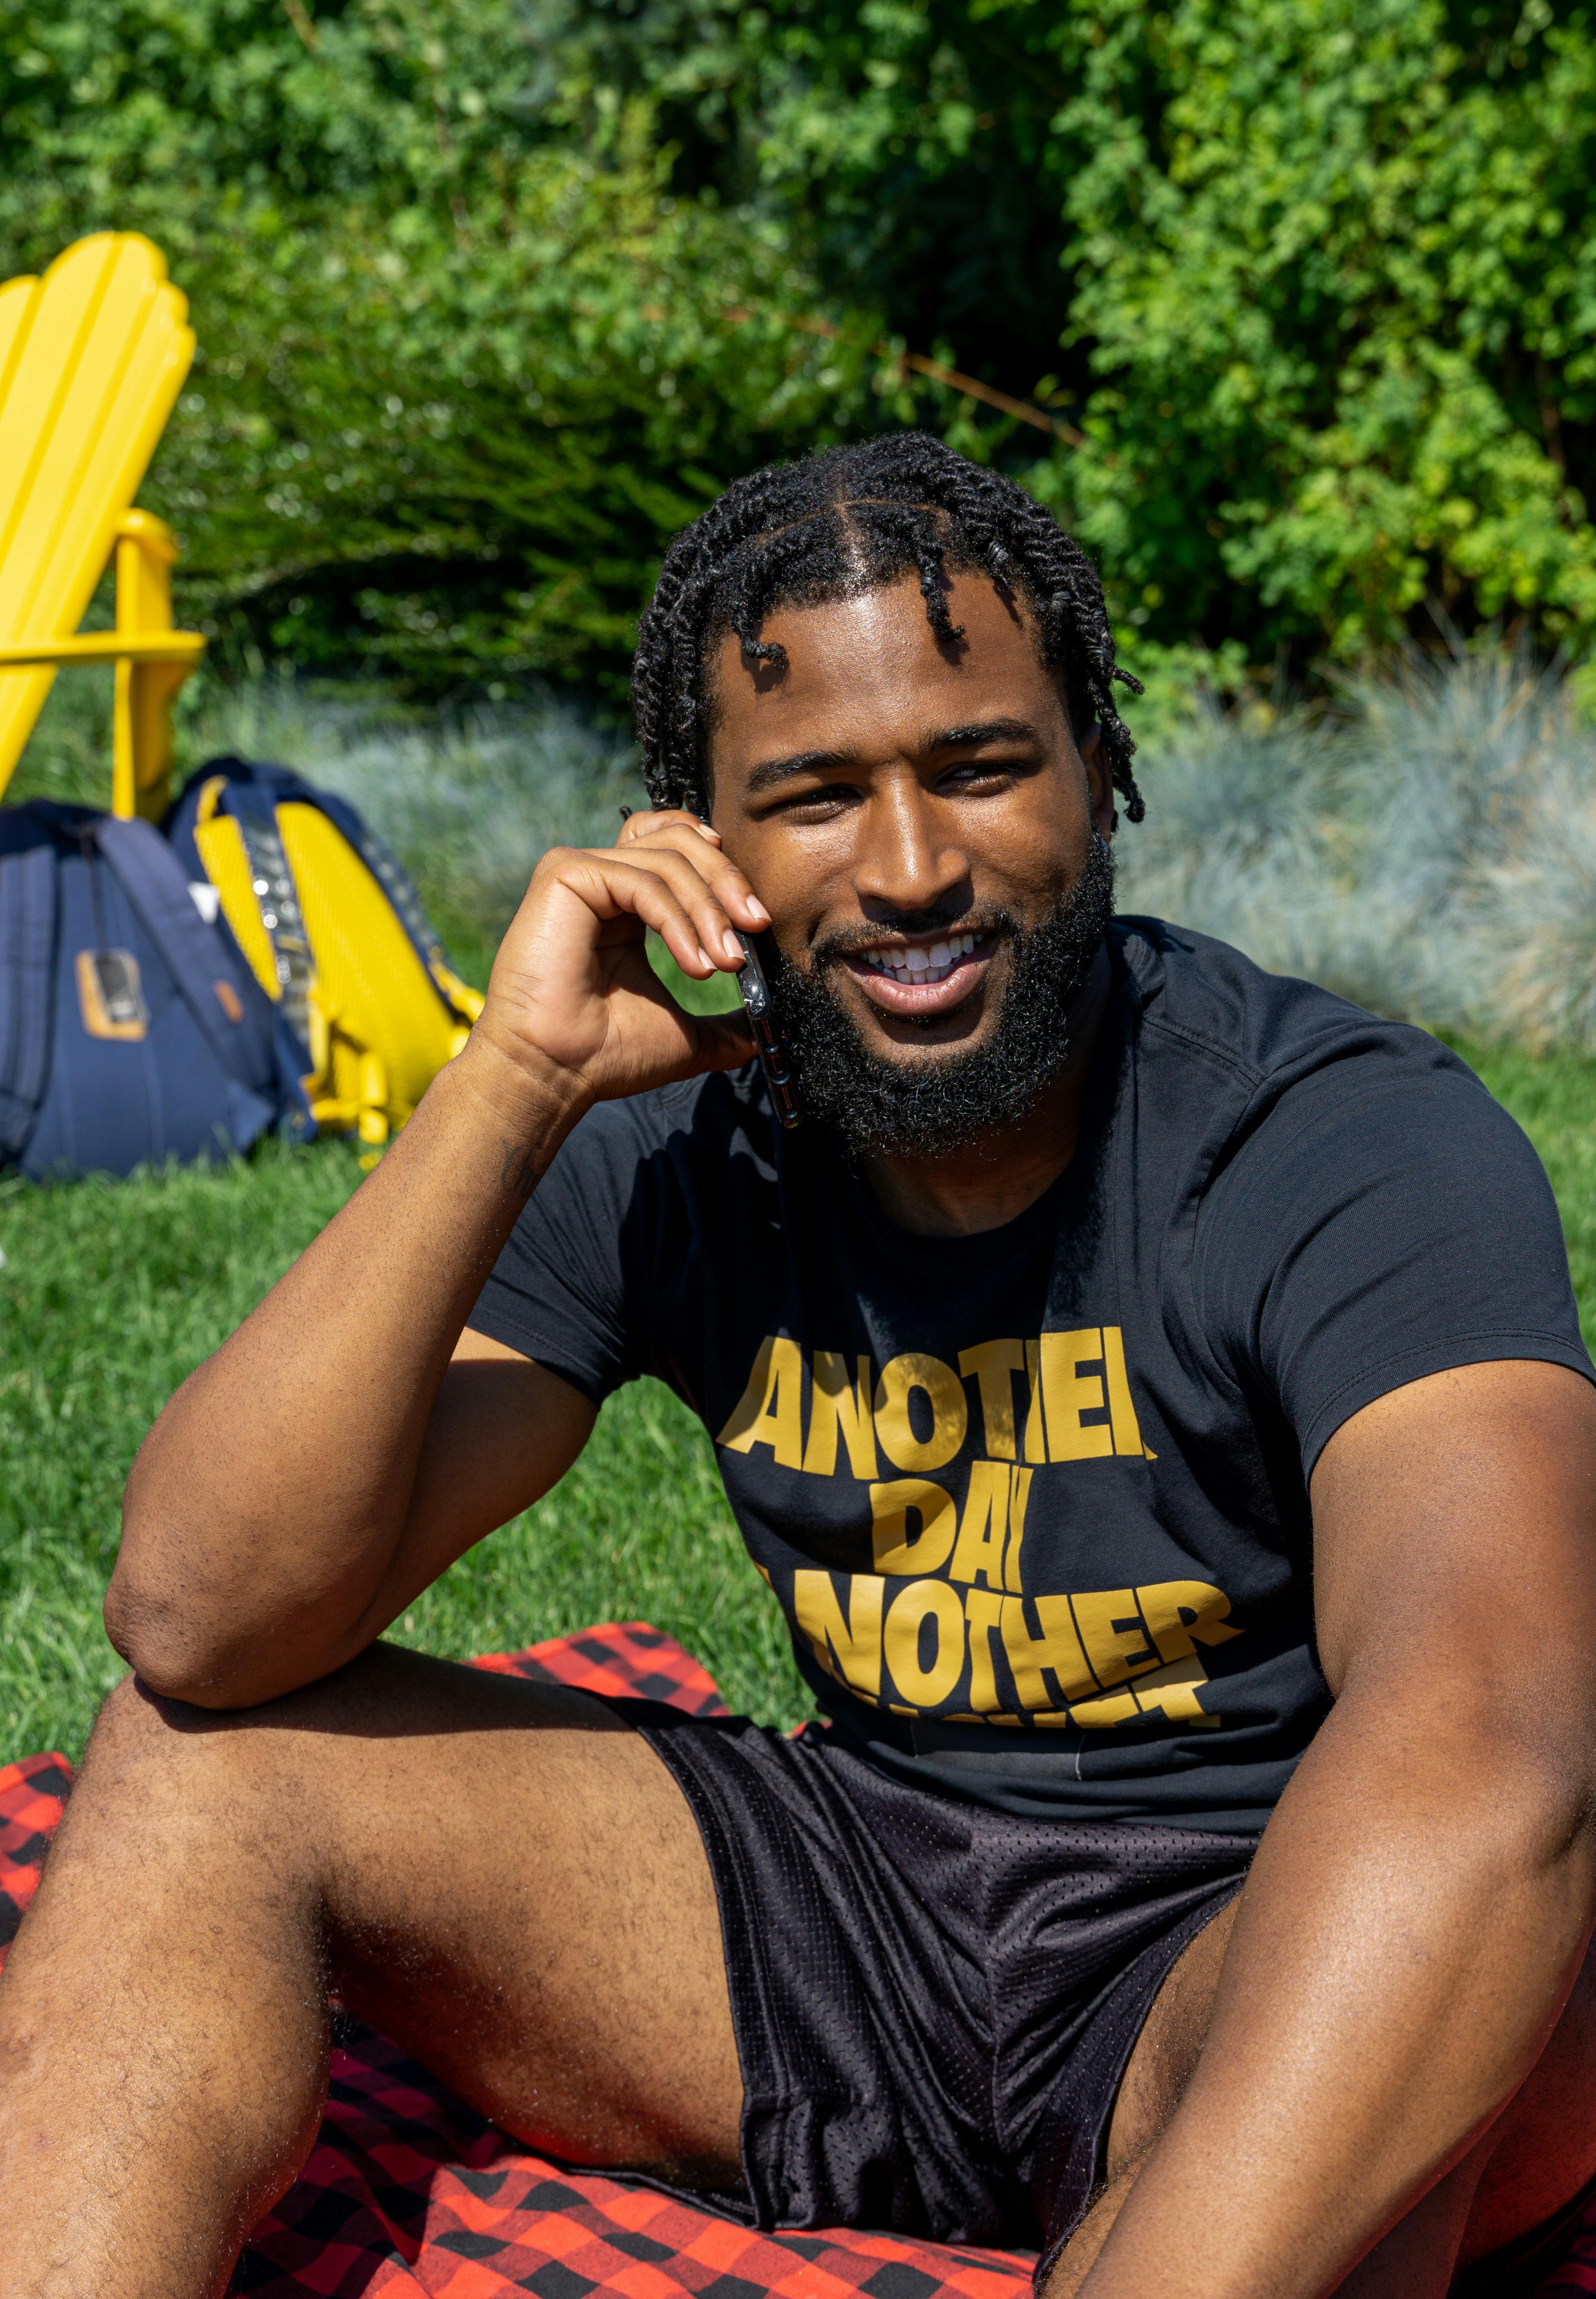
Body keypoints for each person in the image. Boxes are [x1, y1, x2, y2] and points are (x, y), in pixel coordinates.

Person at [3, 432, 1596, 2299]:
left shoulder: (1337, 1143)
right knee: (197, 1768)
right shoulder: (687, 1142)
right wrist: (508, 1083)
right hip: (859, 1913)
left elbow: (1490, 1739)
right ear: (702, 842)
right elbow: (204, 1613)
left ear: (1101, 769)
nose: (912, 866)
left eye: (981, 767)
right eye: (814, 795)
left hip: (1244, 1936)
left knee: (1470, 1964)